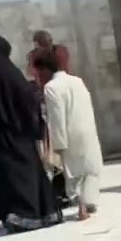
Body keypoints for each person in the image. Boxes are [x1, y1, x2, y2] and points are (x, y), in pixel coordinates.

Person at [0, 36, 62, 234]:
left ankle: (25, 214)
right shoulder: (11, 72)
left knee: (16, 175)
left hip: (7, 136)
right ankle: (46, 211)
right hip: (21, 134)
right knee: (32, 170)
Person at [34, 51, 103, 221]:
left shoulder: (51, 88)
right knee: (89, 168)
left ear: (45, 69)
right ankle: (88, 202)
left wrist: (58, 145)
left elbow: (57, 117)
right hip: (86, 130)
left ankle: (82, 207)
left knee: (73, 173)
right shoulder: (77, 81)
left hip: (69, 134)